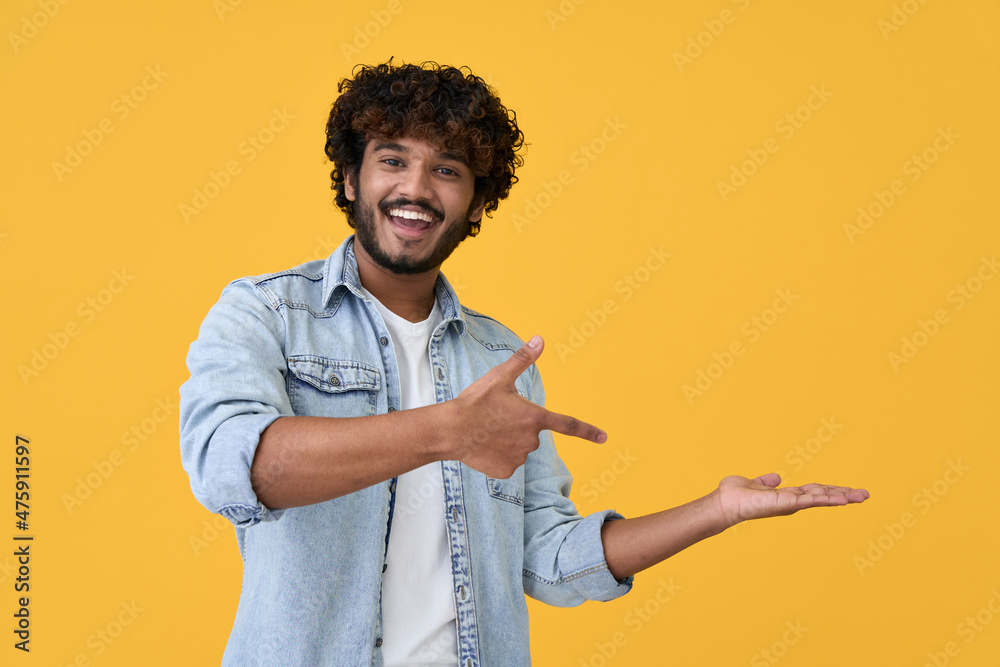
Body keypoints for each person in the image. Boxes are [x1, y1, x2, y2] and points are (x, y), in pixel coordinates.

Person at [179, 60, 869, 666]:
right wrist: (447, 430)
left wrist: (714, 511)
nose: (416, 188)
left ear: (476, 205)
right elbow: (229, 466)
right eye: (393, 159)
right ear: (352, 178)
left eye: (446, 170)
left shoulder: (499, 358)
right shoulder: (264, 313)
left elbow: (550, 558)